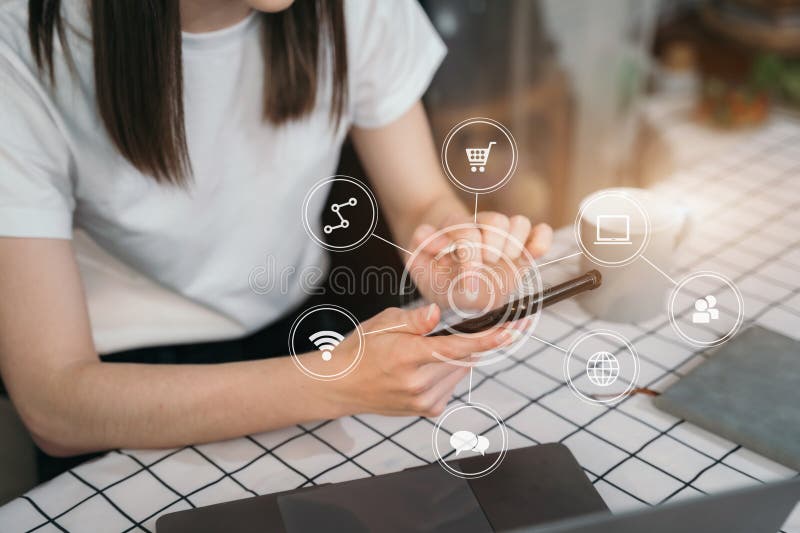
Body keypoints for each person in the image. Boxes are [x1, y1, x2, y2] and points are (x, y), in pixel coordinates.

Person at [0, 0, 552, 477]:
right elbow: (54, 408)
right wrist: (333, 381)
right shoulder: (23, 43)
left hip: (299, 331)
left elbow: (421, 203)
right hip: (124, 381)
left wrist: (456, 254)